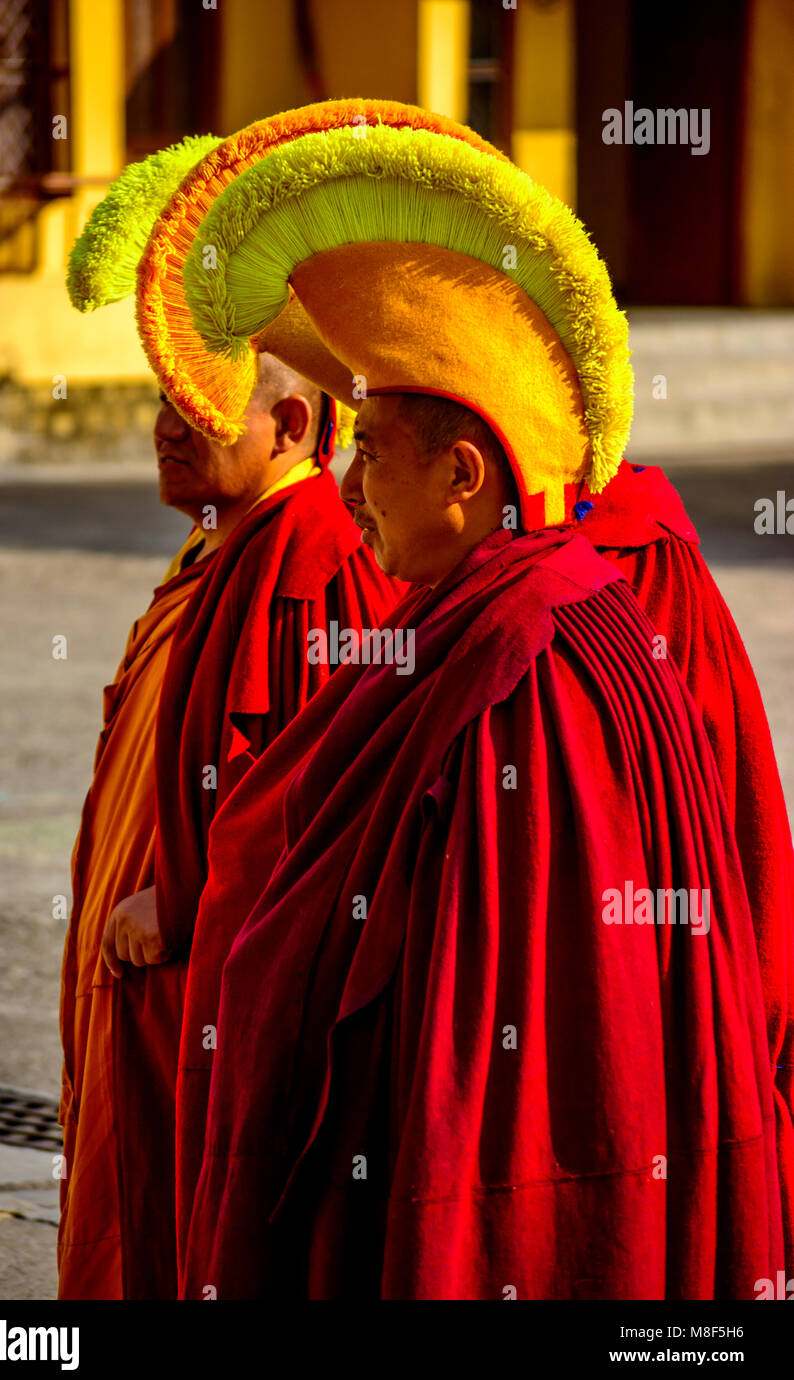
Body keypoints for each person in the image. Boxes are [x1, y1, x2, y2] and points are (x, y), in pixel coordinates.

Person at [160, 102, 792, 1298]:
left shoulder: (530, 648)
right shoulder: (498, 608)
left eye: (373, 456)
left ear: (462, 475)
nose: (347, 491)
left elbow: (507, 994)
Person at [57, 142, 406, 1301]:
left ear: (296, 425)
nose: (165, 422)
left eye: (198, 405)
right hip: (150, 978)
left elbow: (315, 800)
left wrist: (192, 897)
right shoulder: (226, 539)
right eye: (164, 396)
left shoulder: (310, 557)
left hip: (197, 980)